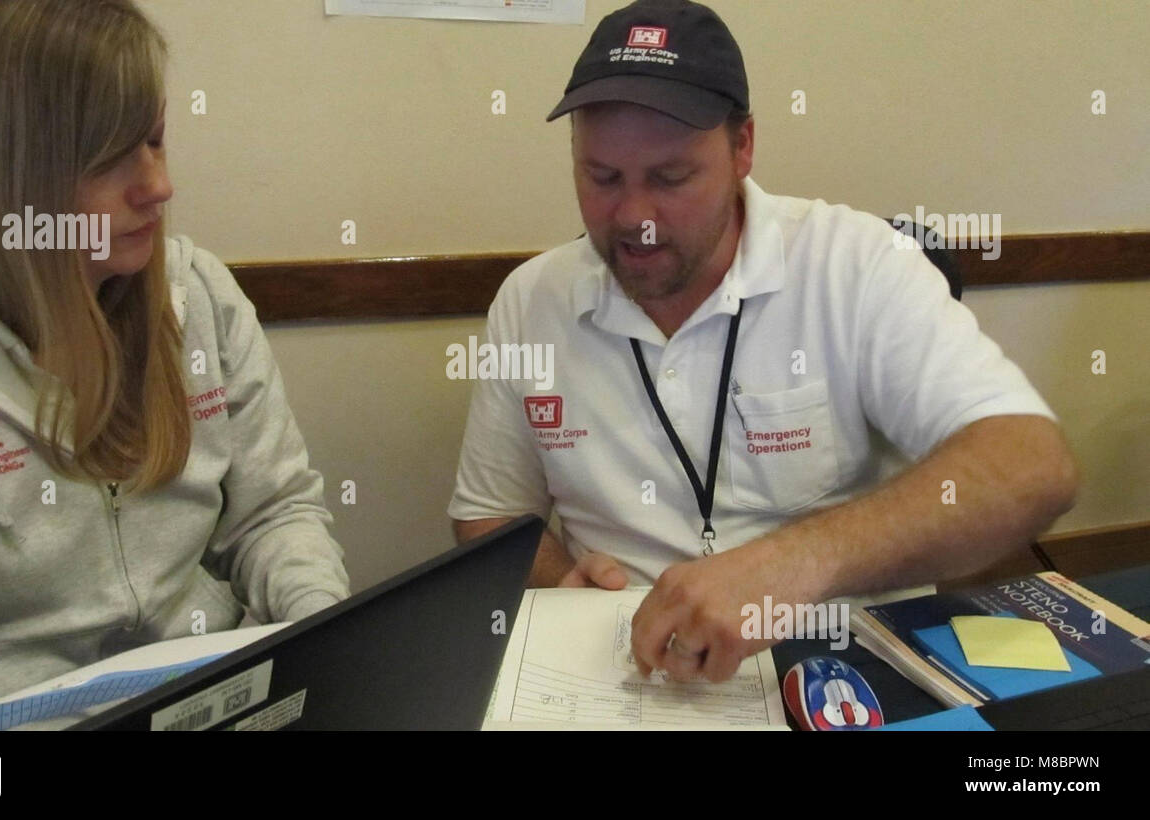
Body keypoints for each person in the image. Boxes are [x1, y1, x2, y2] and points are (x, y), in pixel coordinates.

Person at [449, 0, 1077, 685]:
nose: (634, 219)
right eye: (602, 178)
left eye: (670, 178)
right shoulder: (531, 299)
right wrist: (562, 580)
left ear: (742, 147)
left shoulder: (860, 264)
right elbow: (489, 513)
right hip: (621, 675)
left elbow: (1033, 467)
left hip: (842, 669)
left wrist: (789, 568)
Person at [0, 0, 348, 729]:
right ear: (2, 174)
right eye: (111, 156)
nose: (159, 186)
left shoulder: (198, 295)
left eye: (155, 139)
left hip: (207, 700)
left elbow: (276, 514)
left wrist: (327, 640)